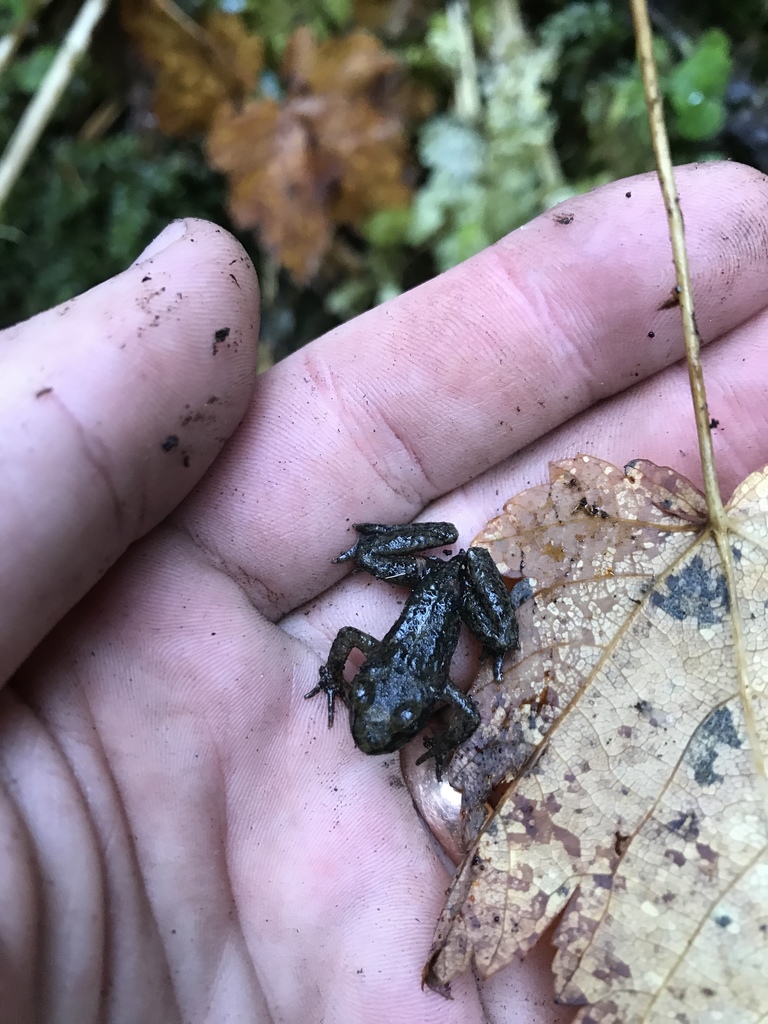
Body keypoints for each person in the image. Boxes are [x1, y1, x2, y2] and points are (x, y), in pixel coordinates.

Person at [2, 160, 766, 1024]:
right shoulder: (418, 689)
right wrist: (384, 698)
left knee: (493, 624)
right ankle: (432, 573)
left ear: (394, 698)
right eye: (382, 716)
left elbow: (396, 671)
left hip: (451, 583)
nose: (377, 726)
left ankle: (475, 594)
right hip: (429, 601)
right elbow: (393, 672)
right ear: (383, 695)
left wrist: (409, 701)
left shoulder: (419, 687)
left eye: (383, 717)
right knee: (463, 607)